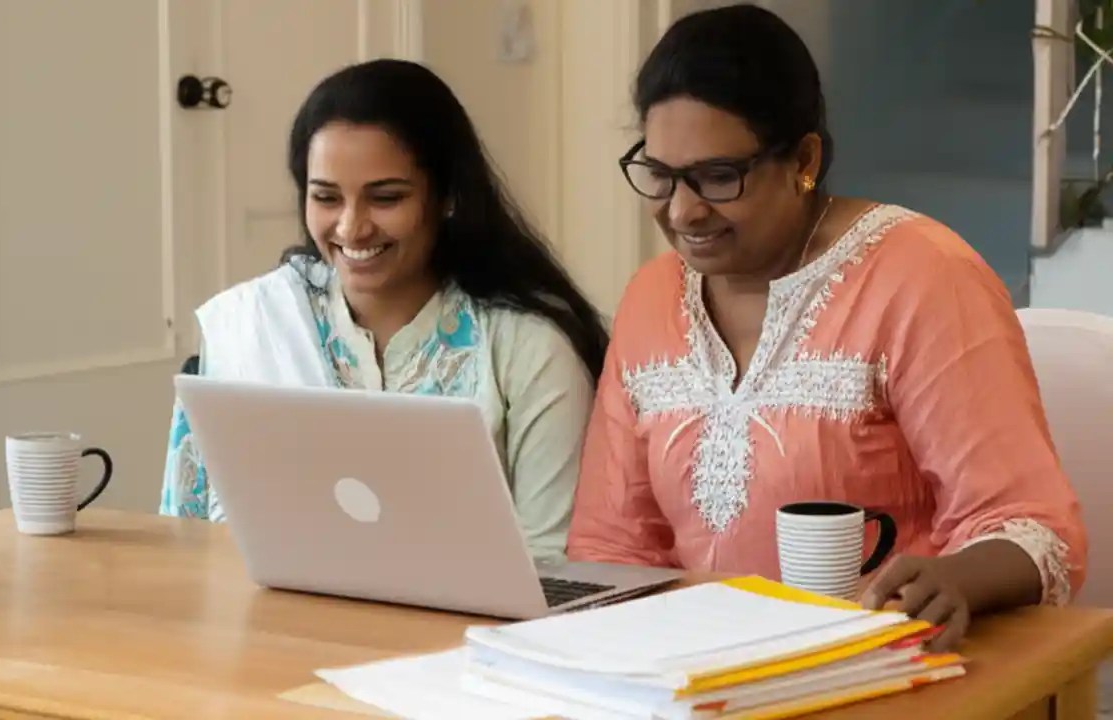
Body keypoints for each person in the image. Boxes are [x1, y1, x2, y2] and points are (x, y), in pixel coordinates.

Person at [566, 4, 1086, 650]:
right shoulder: (650, 299)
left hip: (889, 661)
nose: (682, 212)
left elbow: (1033, 527)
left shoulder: (922, 277)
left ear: (804, 160)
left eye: (718, 178)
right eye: (661, 176)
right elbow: (611, 546)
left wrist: (957, 578)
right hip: (689, 671)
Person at [160, 59, 607, 563]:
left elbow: (555, 567)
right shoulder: (254, 325)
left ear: (448, 196)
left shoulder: (528, 348)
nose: (351, 228)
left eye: (386, 198)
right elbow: (187, 540)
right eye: (326, 197)